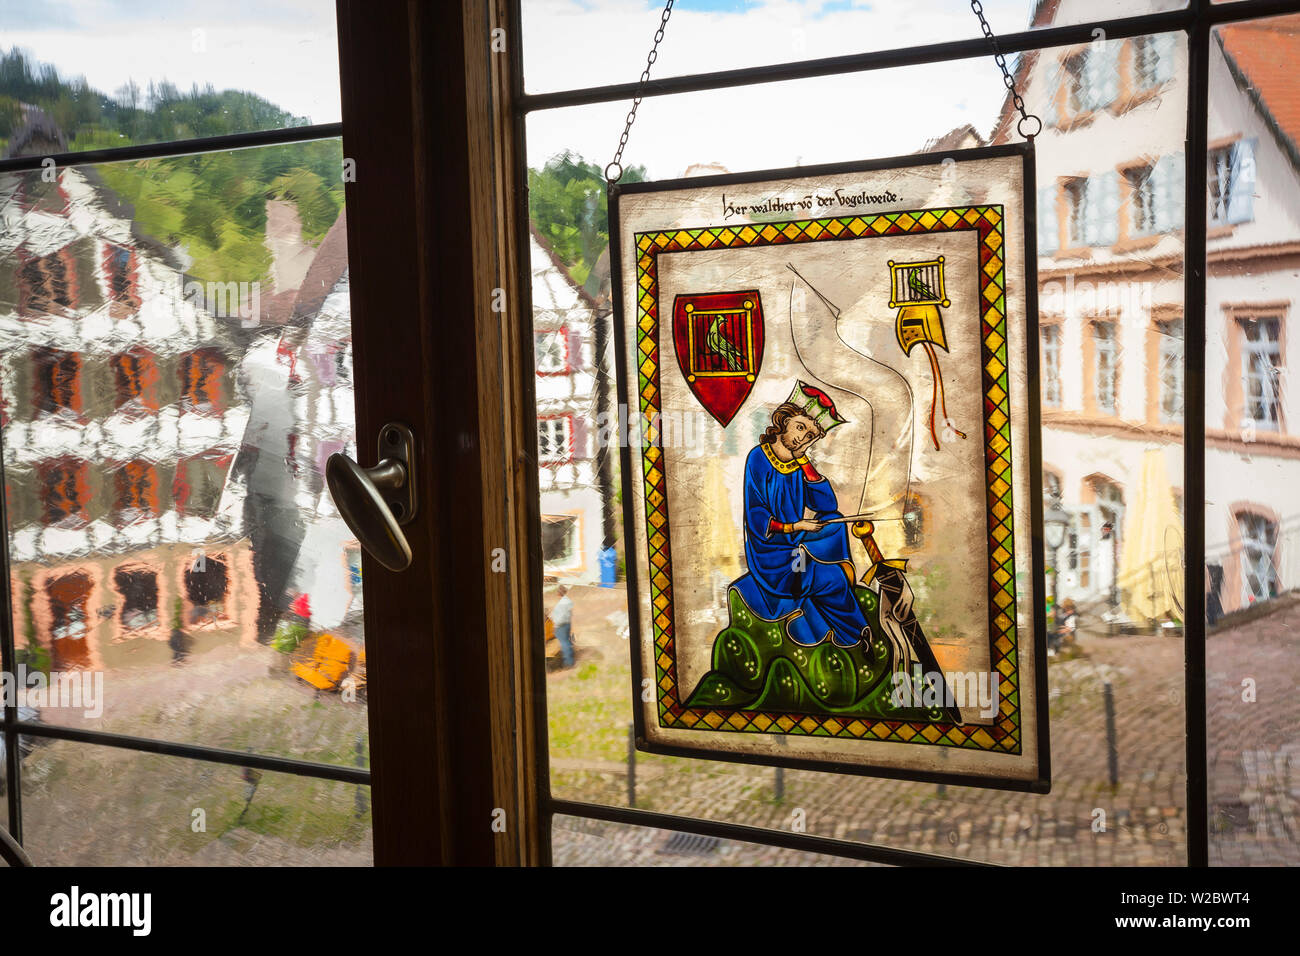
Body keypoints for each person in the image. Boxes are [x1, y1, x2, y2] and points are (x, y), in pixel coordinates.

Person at [732, 383, 873, 647]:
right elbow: (757, 516)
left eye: (810, 436)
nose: (802, 438)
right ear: (783, 421)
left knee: (834, 521)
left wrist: (804, 462)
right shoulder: (758, 458)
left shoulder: (797, 464)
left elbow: (825, 503)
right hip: (772, 554)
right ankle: (853, 635)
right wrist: (796, 525)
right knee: (833, 580)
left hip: (796, 538)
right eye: (800, 427)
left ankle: (834, 571)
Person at [549, 585, 575, 668]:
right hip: (567, 624)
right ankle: (570, 657)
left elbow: (559, 616)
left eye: (557, 592)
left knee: (564, 643)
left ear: (559, 593)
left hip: (561, 625)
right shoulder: (567, 601)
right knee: (567, 642)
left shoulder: (561, 604)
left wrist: (556, 624)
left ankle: (569, 663)